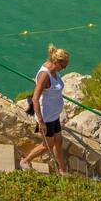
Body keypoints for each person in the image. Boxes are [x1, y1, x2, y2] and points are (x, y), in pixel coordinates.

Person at [19, 44, 70, 174]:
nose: (65, 68)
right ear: (57, 62)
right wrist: (41, 122)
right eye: (64, 65)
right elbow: (35, 98)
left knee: (58, 141)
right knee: (46, 146)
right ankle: (25, 161)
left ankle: (63, 170)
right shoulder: (45, 75)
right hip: (46, 118)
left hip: (54, 115)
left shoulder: (53, 70)